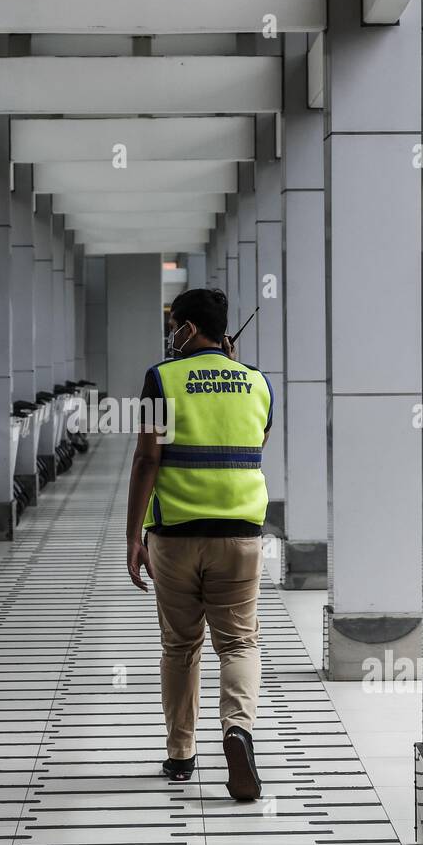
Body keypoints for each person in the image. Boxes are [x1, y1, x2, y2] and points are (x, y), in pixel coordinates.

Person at [124, 287, 273, 801]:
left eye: (175, 325)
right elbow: (254, 445)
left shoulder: (161, 379)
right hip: (241, 536)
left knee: (180, 646)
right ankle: (237, 729)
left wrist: (132, 535)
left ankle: (181, 754)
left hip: (176, 537)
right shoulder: (258, 383)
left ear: (187, 329)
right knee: (238, 642)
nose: (171, 334)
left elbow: (147, 460)